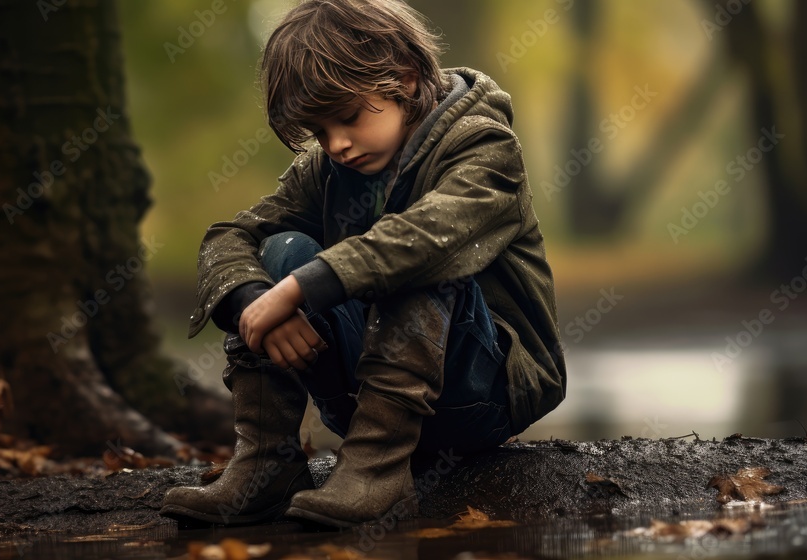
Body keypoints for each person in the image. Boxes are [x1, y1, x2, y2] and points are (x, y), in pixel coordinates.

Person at [160, 0, 566, 528]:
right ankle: (267, 466)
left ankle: (378, 472)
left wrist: (298, 291)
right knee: (279, 249)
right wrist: (250, 302)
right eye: (320, 131)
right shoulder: (330, 166)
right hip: (360, 394)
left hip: (483, 392)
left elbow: (425, 238)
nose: (337, 144)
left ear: (403, 78)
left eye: (348, 117)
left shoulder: (485, 146)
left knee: (413, 257)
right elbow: (229, 237)